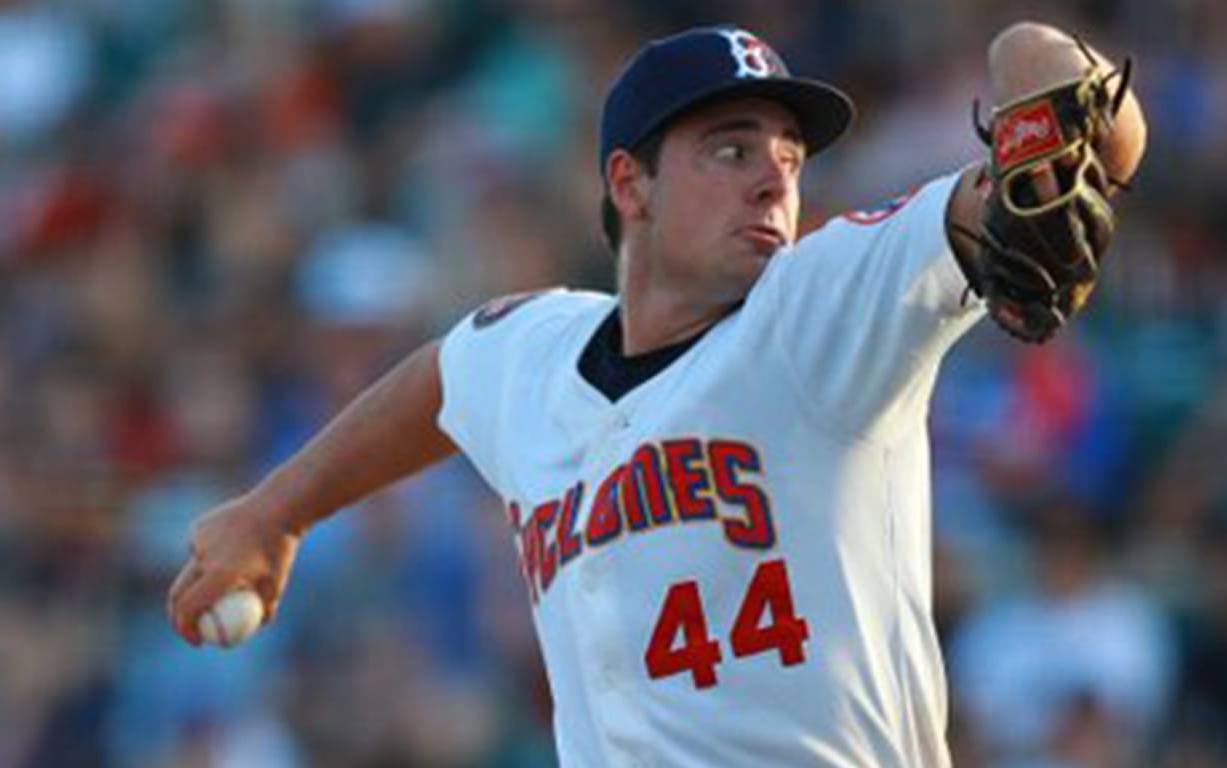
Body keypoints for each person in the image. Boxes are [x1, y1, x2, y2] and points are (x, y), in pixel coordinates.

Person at [168, 21, 1146, 767]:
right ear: (630, 185)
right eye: (731, 150)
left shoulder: (819, 306)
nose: (773, 182)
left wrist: (1047, 105)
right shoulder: (539, 353)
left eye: (790, 159)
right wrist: (275, 511)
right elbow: (440, 377)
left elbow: (1071, 121)